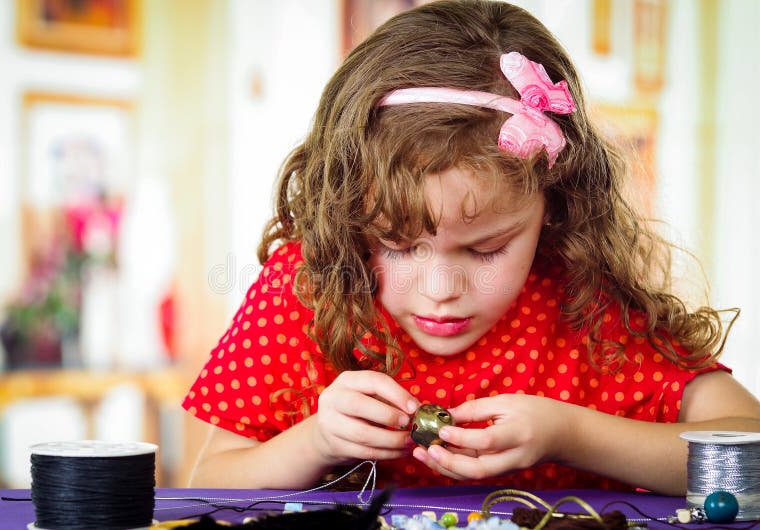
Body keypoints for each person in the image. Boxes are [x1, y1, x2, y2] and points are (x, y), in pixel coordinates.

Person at [182, 0, 760, 494]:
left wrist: (571, 433)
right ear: (346, 216)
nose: (440, 292)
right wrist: (317, 440)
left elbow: (751, 453)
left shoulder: (580, 298)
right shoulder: (307, 289)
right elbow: (204, 479)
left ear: (555, 209)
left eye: (486, 251)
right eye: (397, 246)